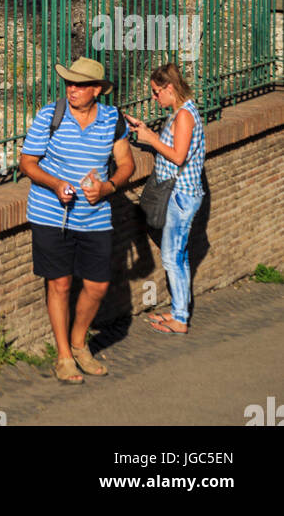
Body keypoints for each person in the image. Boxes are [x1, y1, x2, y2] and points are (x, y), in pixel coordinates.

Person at [19, 57, 135, 383]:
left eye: (80, 85)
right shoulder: (50, 116)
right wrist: (56, 184)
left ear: (96, 89)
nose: (72, 89)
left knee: (97, 286)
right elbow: (27, 163)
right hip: (49, 213)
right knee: (60, 283)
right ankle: (64, 356)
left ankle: (79, 341)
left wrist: (108, 187)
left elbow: (126, 164)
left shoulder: (113, 119)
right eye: (69, 83)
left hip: (95, 216)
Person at [125, 62, 206, 335]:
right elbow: (174, 146)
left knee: (172, 257)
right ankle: (178, 311)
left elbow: (178, 156)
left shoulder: (184, 115)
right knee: (178, 256)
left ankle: (180, 318)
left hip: (180, 196)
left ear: (170, 88)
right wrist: (147, 131)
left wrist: (150, 138)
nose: (154, 97)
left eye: (156, 92)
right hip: (179, 194)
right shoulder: (182, 112)